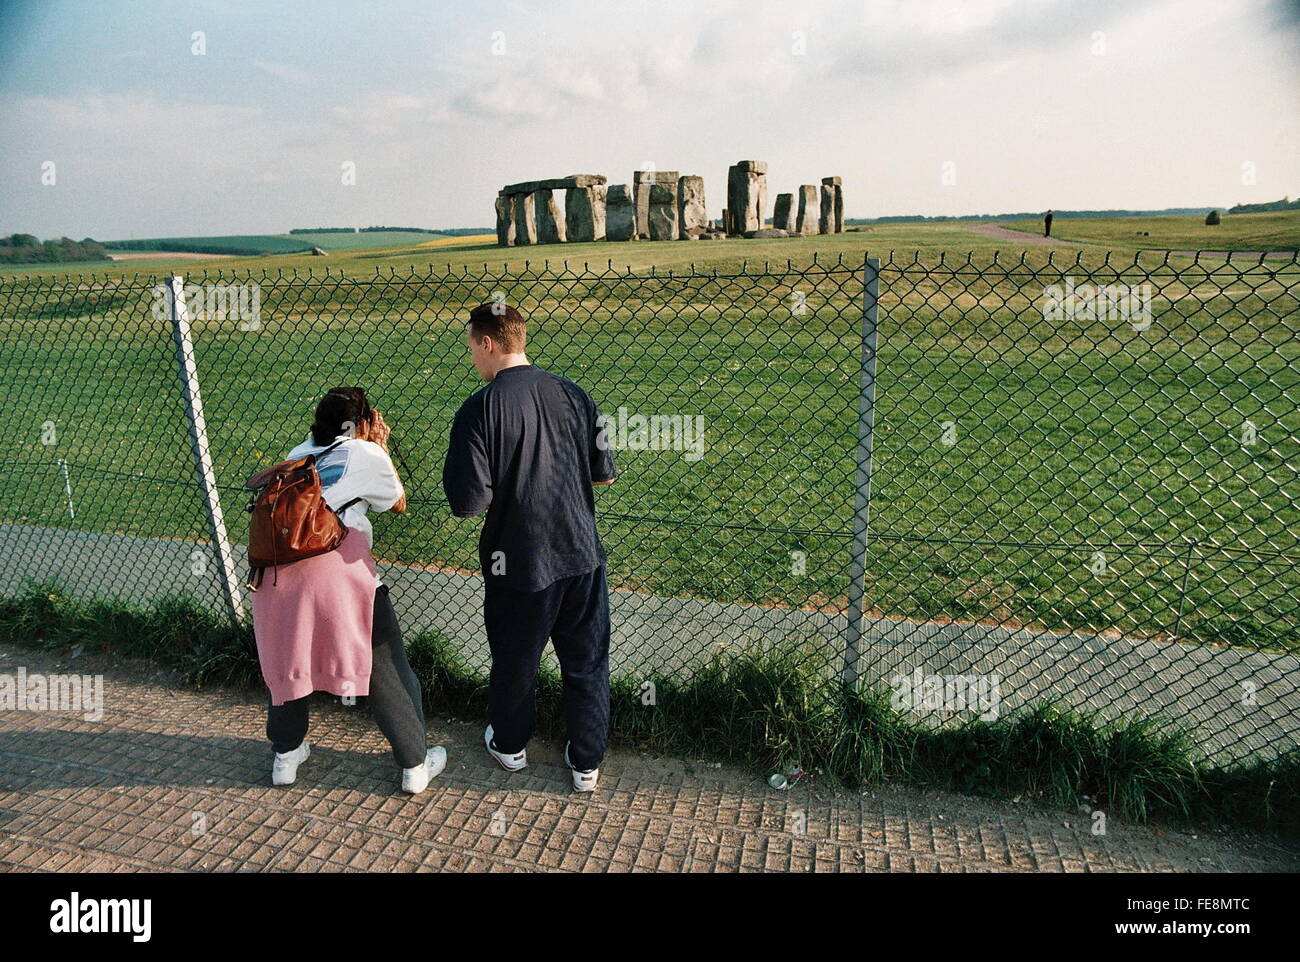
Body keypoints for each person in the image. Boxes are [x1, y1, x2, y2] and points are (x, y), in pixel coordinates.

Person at [442, 304, 616, 792]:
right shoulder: (577, 395)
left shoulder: (478, 409)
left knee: (516, 658)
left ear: (488, 343)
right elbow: (602, 473)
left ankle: (511, 745)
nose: (472, 355)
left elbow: (469, 502)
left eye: (471, 344)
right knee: (586, 661)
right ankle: (586, 761)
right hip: (581, 552)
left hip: (516, 560)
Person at [250, 386, 446, 793]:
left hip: (277, 577)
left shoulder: (295, 454)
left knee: (289, 664)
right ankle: (414, 764)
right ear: (361, 422)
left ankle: (285, 758)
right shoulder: (367, 452)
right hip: (338, 574)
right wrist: (378, 446)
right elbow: (397, 502)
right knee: (385, 664)